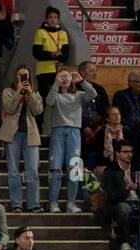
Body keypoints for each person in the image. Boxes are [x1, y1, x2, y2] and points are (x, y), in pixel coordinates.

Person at [45, 69, 95, 213]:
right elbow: (49, 101)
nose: (65, 79)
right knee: (56, 167)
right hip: (58, 132)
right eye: (62, 76)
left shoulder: (78, 95)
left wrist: (82, 81)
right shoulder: (56, 94)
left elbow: (93, 94)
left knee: (74, 168)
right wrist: (56, 83)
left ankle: (71, 203)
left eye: (67, 76)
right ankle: (53, 202)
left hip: (74, 131)